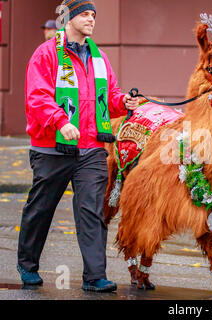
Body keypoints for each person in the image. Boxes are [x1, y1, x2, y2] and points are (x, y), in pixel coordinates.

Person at [17, 0, 140, 292]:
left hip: (92, 148)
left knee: (92, 211)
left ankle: (95, 276)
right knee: (42, 208)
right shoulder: (46, 54)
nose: (91, 19)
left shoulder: (100, 58)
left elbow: (108, 96)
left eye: (94, 15)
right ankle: (27, 264)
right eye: (85, 14)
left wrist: (123, 102)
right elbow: (37, 97)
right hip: (51, 149)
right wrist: (60, 121)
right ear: (69, 18)